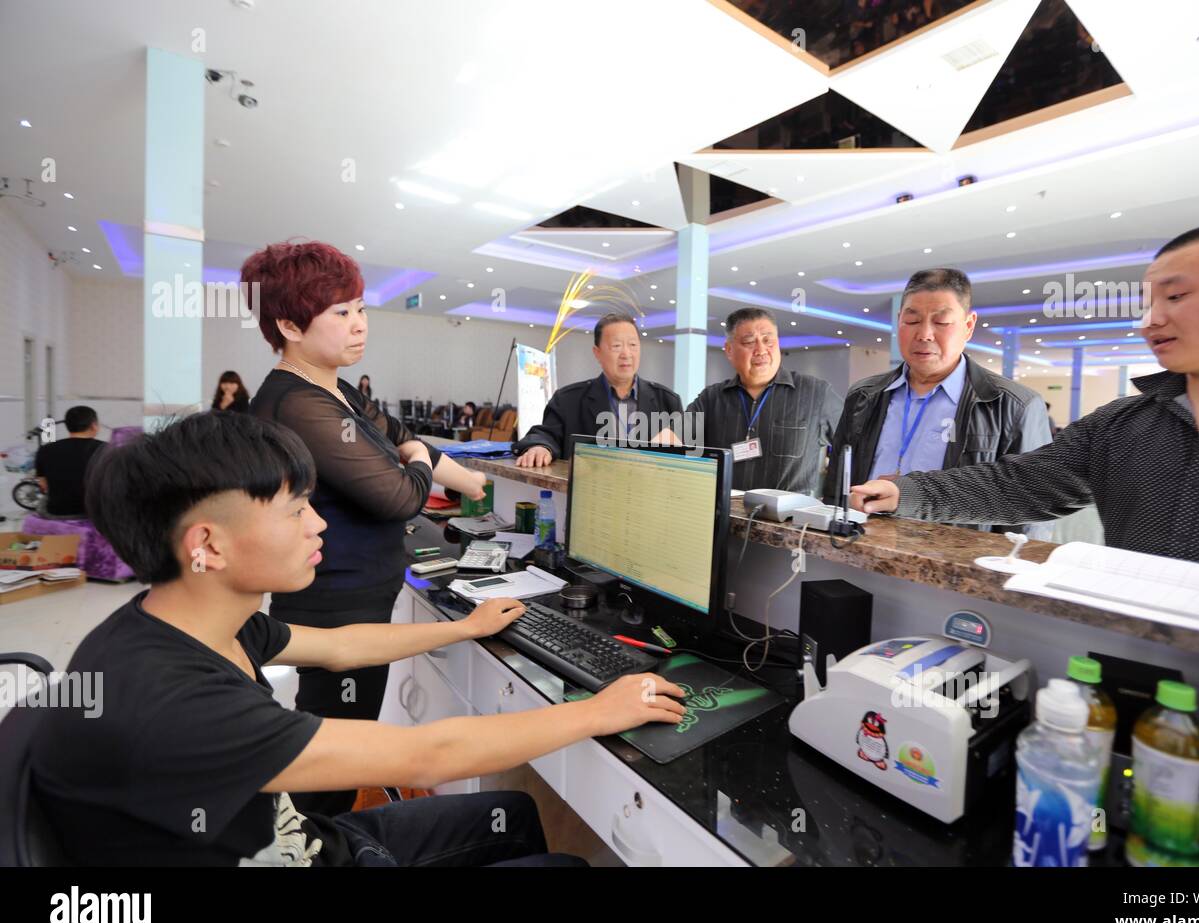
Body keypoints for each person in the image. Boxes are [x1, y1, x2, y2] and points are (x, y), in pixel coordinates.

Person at [30, 412, 685, 866]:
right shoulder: (171, 700)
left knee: (509, 813)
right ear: (207, 544)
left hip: (304, 840)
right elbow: (428, 755)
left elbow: (337, 647)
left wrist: (463, 626)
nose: (318, 525)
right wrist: (598, 711)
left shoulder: (190, 616)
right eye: (294, 510)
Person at [850, 220, 1199, 581]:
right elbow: (1016, 485)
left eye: (1177, 296)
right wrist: (903, 491)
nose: (1150, 320)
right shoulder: (1121, 425)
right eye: (1149, 300)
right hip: (1133, 661)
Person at [243, 239, 490, 816]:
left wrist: (476, 484)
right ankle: (312, 846)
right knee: (336, 750)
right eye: (341, 313)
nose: (360, 326)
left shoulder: (334, 386)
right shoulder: (298, 403)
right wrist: (422, 464)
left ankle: (318, 835)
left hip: (362, 591)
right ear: (289, 324)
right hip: (337, 602)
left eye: (360, 308)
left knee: (340, 739)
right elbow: (400, 496)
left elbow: (404, 435)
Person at [829, 268, 1052, 536]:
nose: (924, 334)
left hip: (955, 565)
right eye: (911, 322)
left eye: (942, 322)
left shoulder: (1014, 406)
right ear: (898, 320)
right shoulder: (864, 396)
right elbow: (836, 485)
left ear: (968, 326)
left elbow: (1029, 515)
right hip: (862, 549)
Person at [685, 308, 842, 496]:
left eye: (768, 340)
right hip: (726, 519)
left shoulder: (816, 393)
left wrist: (834, 501)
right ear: (729, 349)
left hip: (791, 522)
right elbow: (673, 438)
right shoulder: (711, 399)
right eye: (749, 342)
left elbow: (855, 447)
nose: (761, 350)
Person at [514, 313, 682, 466]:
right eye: (616, 346)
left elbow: (685, 453)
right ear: (597, 353)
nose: (626, 353)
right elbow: (546, 435)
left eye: (633, 345)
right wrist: (542, 447)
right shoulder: (568, 400)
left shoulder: (667, 401)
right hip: (591, 492)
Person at [33, 405, 104, 517]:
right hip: (97, 514)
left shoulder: (45, 450)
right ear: (94, 425)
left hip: (58, 512)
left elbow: (44, 485)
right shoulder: (108, 450)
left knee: (43, 503)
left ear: (67, 426)